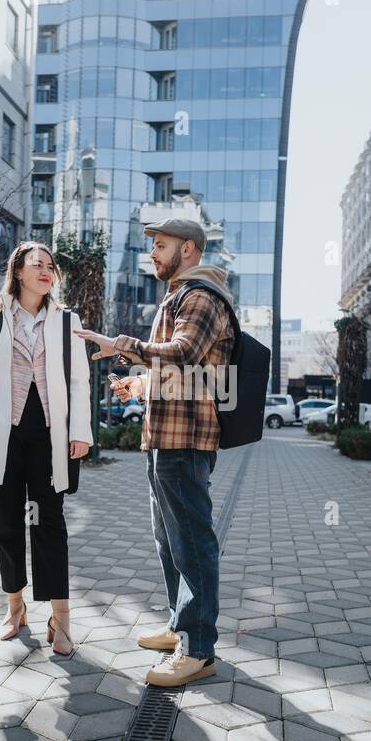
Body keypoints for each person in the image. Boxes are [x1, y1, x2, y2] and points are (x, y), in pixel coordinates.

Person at [74, 218, 233, 687]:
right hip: (165, 436)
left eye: (161, 246)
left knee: (193, 543)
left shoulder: (201, 295)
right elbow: (185, 374)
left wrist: (120, 345)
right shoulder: (179, 294)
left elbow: (184, 352)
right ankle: (180, 624)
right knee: (170, 541)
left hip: (185, 441)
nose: (153, 255)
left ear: (188, 249)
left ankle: (198, 649)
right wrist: (140, 384)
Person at [0, 242, 93, 656]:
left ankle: (62, 617)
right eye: (38, 265)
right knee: (7, 521)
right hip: (2, 433)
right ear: (18, 272)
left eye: (51, 266)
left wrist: (81, 430)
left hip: (50, 434)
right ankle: (14, 606)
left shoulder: (67, 320)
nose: (47, 271)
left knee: (50, 521)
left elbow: (80, 380)